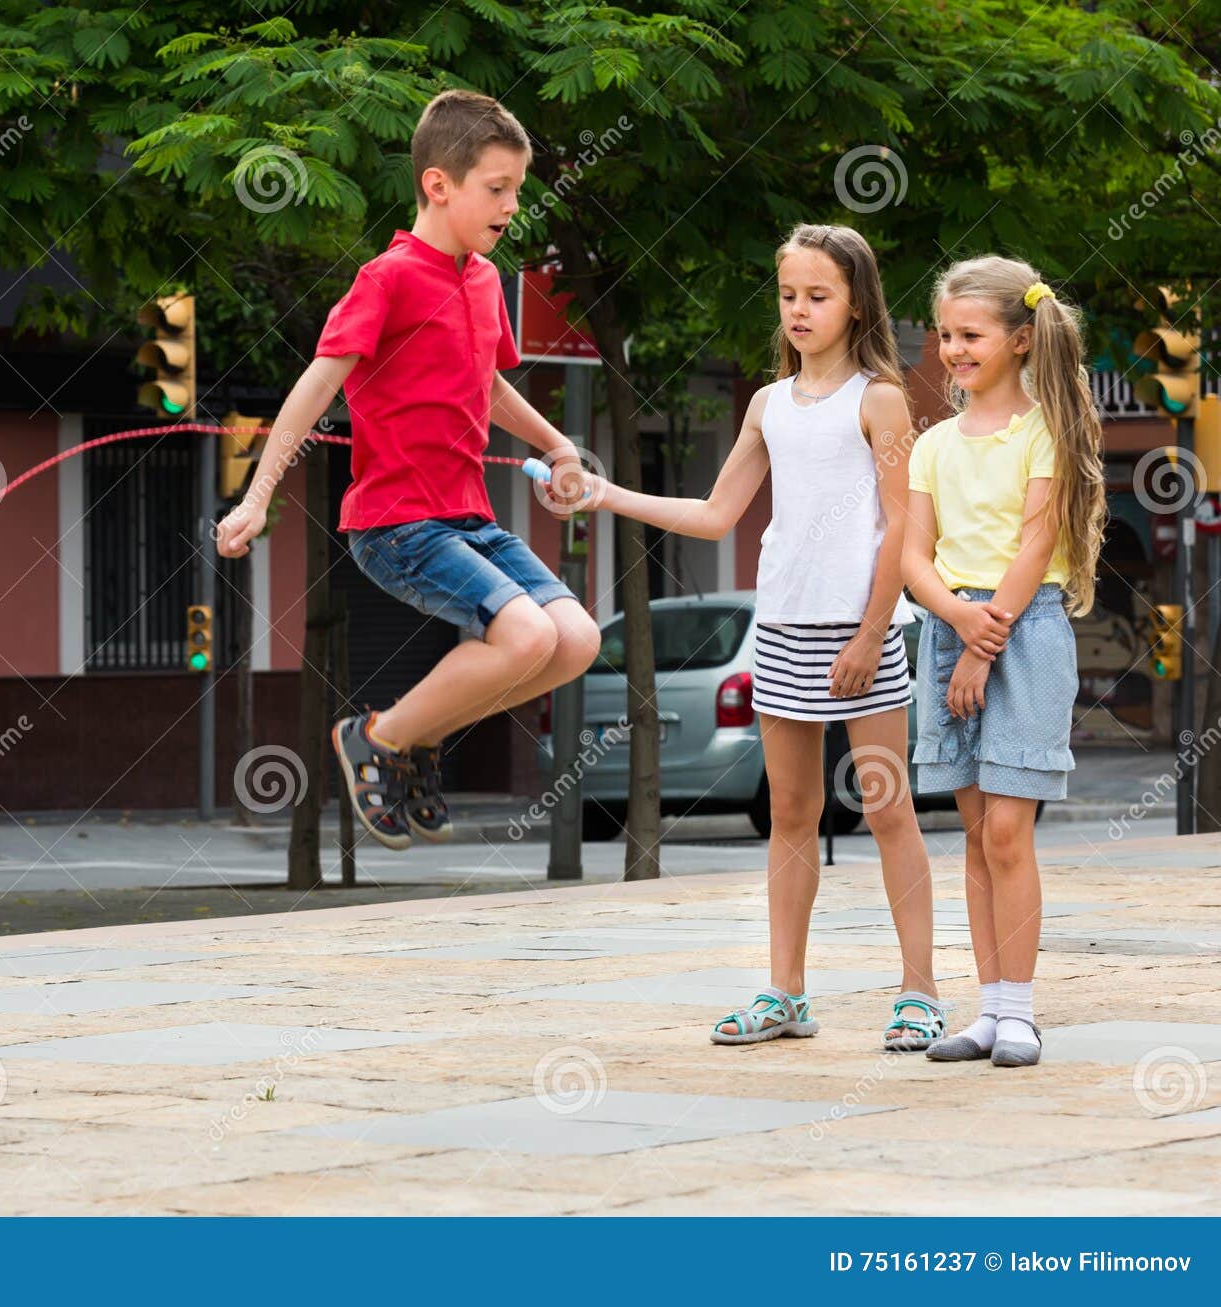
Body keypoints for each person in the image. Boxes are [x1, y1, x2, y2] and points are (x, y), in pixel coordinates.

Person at [554, 224, 942, 1050]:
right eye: (789, 294)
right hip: (783, 631)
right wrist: (604, 494)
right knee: (791, 814)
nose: (799, 309)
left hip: (864, 632)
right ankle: (786, 994)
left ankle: (920, 991)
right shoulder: (768, 405)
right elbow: (714, 513)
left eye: (818, 295)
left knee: (887, 808)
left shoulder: (879, 399)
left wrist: (870, 635)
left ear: (857, 303)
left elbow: (901, 531)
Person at [217, 89, 599, 850]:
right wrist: (257, 498)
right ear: (438, 184)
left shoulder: (484, 279)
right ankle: (374, 738)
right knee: (526, 635)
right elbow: (316, 387)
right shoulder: (386, 278)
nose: (512, 207)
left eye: (517, 189)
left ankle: (416, 736)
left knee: (575, 639)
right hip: (397, 525)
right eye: (498, 188)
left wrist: (558, 445)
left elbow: (490, 388)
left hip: (469, 520)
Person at [906, 257, 1106, 1068]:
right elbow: (914, 556)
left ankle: (1019, 1012)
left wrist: (981, 644)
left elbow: (1035, 544)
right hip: (951, 625)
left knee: (1008, 831)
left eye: (971, 334)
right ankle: (987, 1010)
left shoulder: (1046, 431)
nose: (954, 349)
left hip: (1022, 632)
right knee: (975, 832)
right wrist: (954, 617)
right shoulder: (931, 445)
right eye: (945, 334)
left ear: (1021, 339)